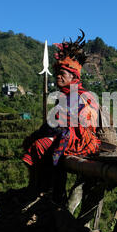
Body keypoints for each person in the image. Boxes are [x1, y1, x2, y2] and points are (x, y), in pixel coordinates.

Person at [22, 31, 100, 204]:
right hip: (66, 134)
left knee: (40, 145)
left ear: (73, 76)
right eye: (57, 73)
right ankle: (39, 187)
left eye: (62, 74)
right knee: (35, 142)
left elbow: (63, 123)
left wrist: (43, 134)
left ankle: (47, 190)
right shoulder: (65, 95)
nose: (58, 76)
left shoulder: (79, 95)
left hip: (80, 139)